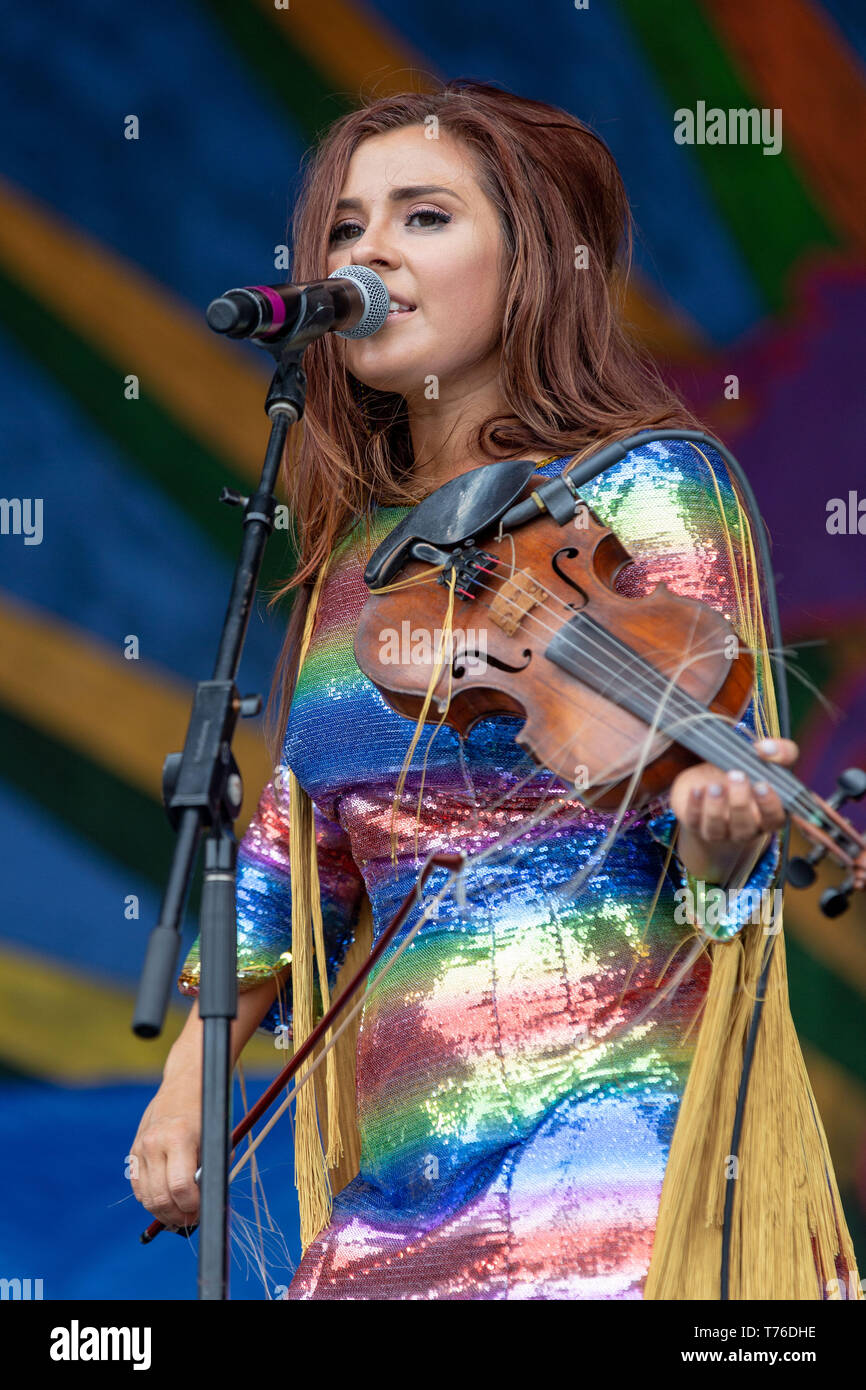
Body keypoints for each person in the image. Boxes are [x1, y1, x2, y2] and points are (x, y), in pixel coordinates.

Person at [129, 80, 860, 1300]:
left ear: (531, 263)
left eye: (423, 218)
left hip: (607, 1164)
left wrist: (726, 838)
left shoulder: (645, 487)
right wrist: (188, 1082)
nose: (368, 252)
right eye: (345, 228)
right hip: (389, 1197)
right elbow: (295, 834)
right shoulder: (353, 564)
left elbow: (705, 774)